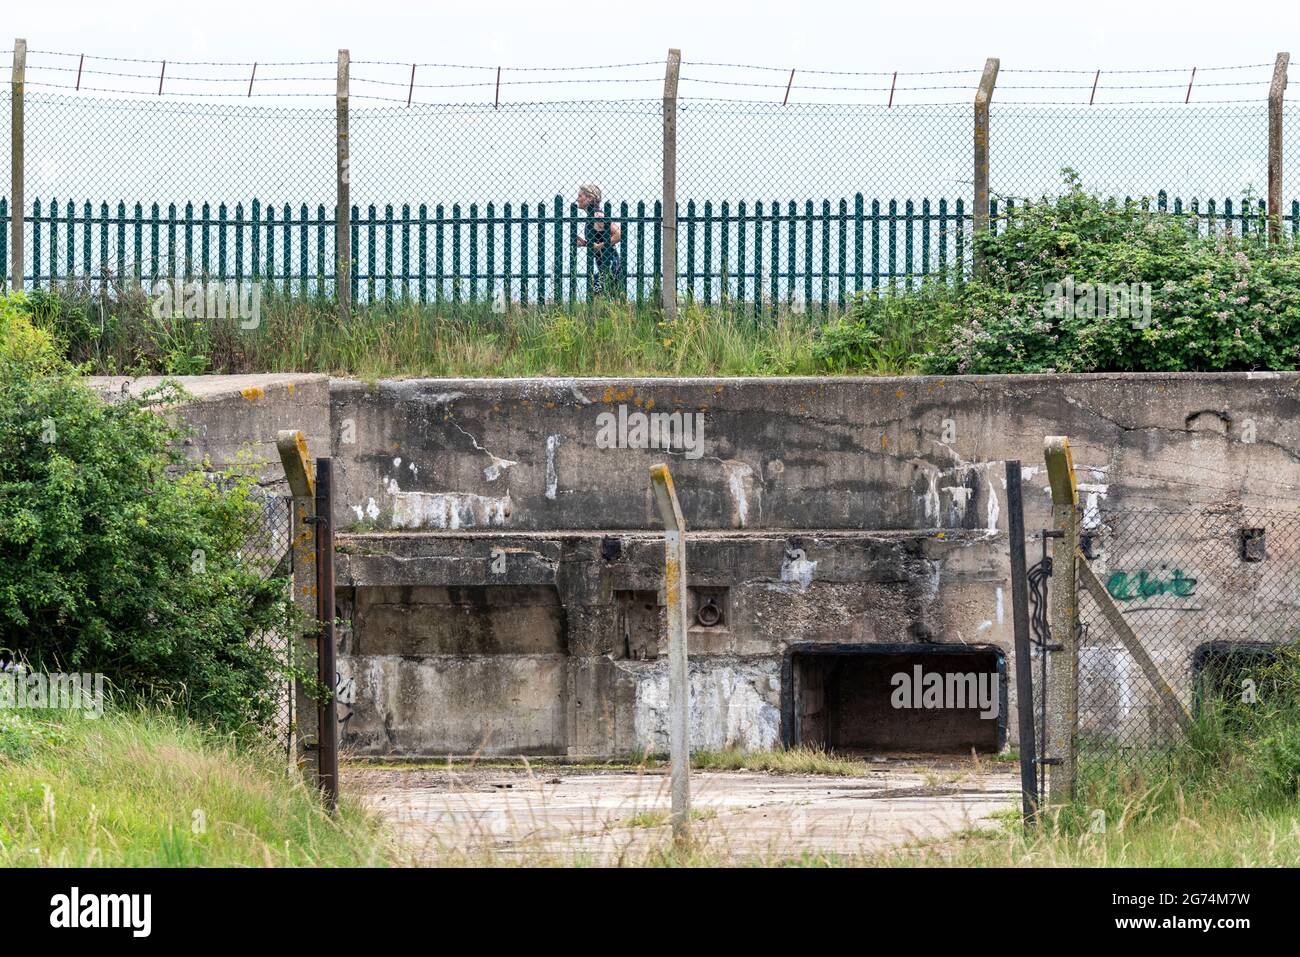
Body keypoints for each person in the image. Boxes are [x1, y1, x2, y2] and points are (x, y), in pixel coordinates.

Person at [575, 184, 624, 298]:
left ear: (590, 198)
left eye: (580, 196)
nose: (577, 199)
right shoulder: (592, 216)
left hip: (610, 263)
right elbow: (600, 238)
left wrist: (599, 246)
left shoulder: (597, 215)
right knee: (606, 297)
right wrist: (585, 244)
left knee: (597, 295)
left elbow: (619, 234)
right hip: (604, 264)